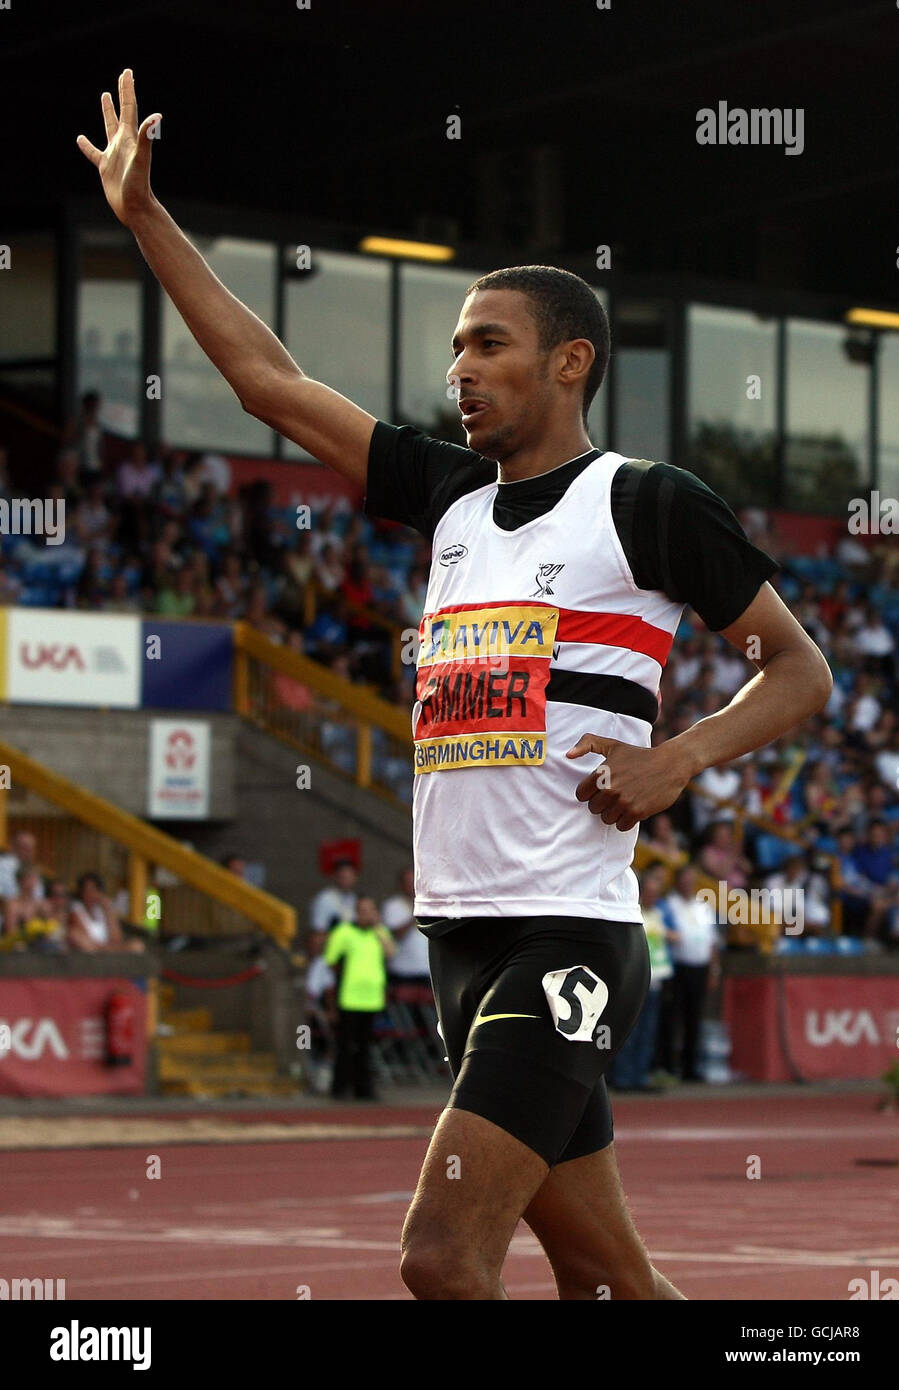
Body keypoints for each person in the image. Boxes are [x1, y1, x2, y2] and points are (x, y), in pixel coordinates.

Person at [77, 69, 834, 1300]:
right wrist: (146, 220)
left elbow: (800, 668)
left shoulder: (644, 503)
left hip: (566, 933)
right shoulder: (449, 499)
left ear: (570, 362)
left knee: (439, 1256)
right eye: (453, 350)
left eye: (489, 345)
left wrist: (678, 757)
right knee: (610, 1282)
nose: (460, 370)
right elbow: (269, 384)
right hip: (456, 938)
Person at [324, 895, 396, 1100]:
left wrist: (378, 929)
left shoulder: (380, 933)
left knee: (366, 1047)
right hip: (349, 997)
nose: (367, 915)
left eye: (370, 910)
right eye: (363, 911)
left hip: (372, 998)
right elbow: (331, 960)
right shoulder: (344, 932)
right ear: (356, 913)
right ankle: (340, 1088)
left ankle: (363, 1089)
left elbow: (390, 953)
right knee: (346, 1045)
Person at [611, 865, 673, 1092]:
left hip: (656, 979)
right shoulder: (633, 914)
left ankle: (640, 1075)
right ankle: (623, 1076)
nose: (653, 897)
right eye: (650, 892)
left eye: (656, 893)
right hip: (636, 979)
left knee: (647, 1031)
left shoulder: (657, 914)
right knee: (631, 1030)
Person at [657, 865, 721, 1082]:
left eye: (691, 879)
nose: (688, 883)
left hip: (700, 966)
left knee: (694, 1017)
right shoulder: (669, 904)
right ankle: (667, 1065)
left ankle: (690, 1067)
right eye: (684, 879)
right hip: (677, 967)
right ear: (677, 881)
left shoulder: (703, 906)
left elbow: (712, 941)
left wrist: (714, 969)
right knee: (671, 1017)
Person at [67, 872, 144, 953]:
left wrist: (108, 909)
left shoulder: (102, 908)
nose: (90, 894)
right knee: (74, 934)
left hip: (107, 947)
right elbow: (84, 939)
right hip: (92, 948)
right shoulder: (76, 908)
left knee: (137, 945)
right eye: (87, 890)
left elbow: (117, 938)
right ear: (81, 892)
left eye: (94, 890)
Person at [310, 859, 358, 933]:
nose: (347, 880)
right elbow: (318, 929)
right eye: (343, 877)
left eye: (350, 876)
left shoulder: (355, 898)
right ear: (335, 877)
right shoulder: (324, 899)